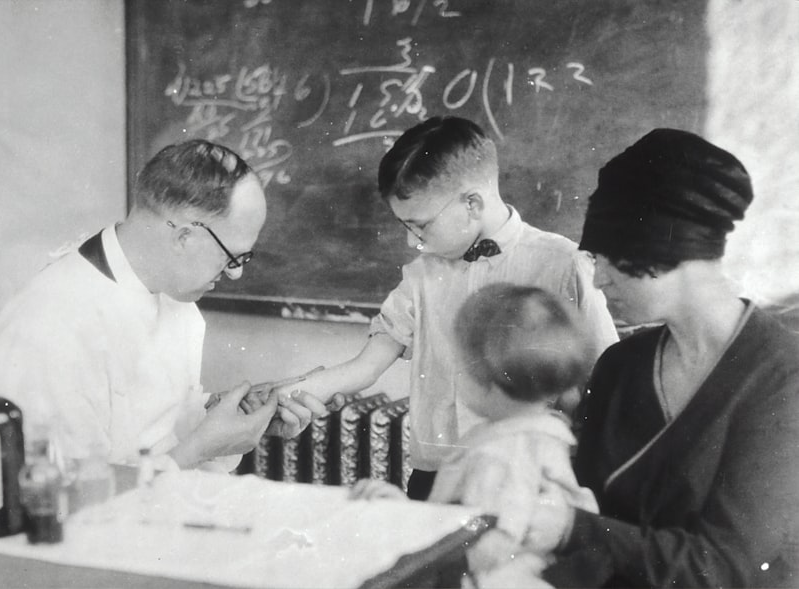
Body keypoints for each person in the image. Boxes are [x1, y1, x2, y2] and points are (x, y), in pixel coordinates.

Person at [257, 116, 618, 499]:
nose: (412, 242)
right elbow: (366, 366)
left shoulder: (563, 264)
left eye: (421, 226)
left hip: (524, 474)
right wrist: (287, 394)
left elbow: (606, 376)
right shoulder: (421, 275)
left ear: (472, 203)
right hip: (437, 473)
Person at [537, 128, 799, 587]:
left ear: (662, 250)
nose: (598, 281)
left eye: (608, 258)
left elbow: (724, 565)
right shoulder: (619, 366)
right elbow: (588, 508)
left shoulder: (783, 377)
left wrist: (569, 526)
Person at [0, 139, 325, 472]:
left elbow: (153, 425)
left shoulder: (172, 291)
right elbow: (66, 491)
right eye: (232, 257)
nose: (236, 274)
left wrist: (230, 418)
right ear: (184, 237)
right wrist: (200, 449)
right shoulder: (51, 323)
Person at [351, 282, 599, 588]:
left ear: (486, 380)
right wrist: (410, 513)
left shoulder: (499, 455)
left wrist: (409, 535)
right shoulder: (543, 435)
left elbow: (482, 546)